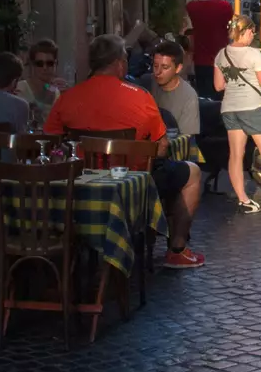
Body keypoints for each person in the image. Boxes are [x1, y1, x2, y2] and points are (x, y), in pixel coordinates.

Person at [44, 34, 206, 268]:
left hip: (79, 185)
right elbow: (160, 149)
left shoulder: (67, 98)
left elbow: (50, 141)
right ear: (120, 63)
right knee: (192, 173)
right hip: (133, 186)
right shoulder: (140, 97)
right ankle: (177, 249)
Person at [213, 18, 261, 214]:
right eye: (252, 32)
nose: (253, 35)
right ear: (245, 32)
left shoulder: (221, 54)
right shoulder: (254, 54)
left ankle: (243, 200)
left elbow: (218, 86)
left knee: (236, 155)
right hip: (253, 108)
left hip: (230, 109)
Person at [184, 0, 234, 97]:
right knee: (221, 95)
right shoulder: (224, 6)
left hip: (201, 58)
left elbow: (188, 28)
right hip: (221, 57)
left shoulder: (191, 7)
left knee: (204, 96)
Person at [148, 39, 201, 137]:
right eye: (155, 66)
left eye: (165, 67)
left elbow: (186, 140)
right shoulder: (147, 82)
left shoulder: (189, 97)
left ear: (178, 68)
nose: (158, 72)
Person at [25, 39, 65, 122]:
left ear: (56, 64)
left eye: (50, 63)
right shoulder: (20, 89)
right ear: (32, 65)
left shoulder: (56, 91)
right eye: (39, 64)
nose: (45, 68)